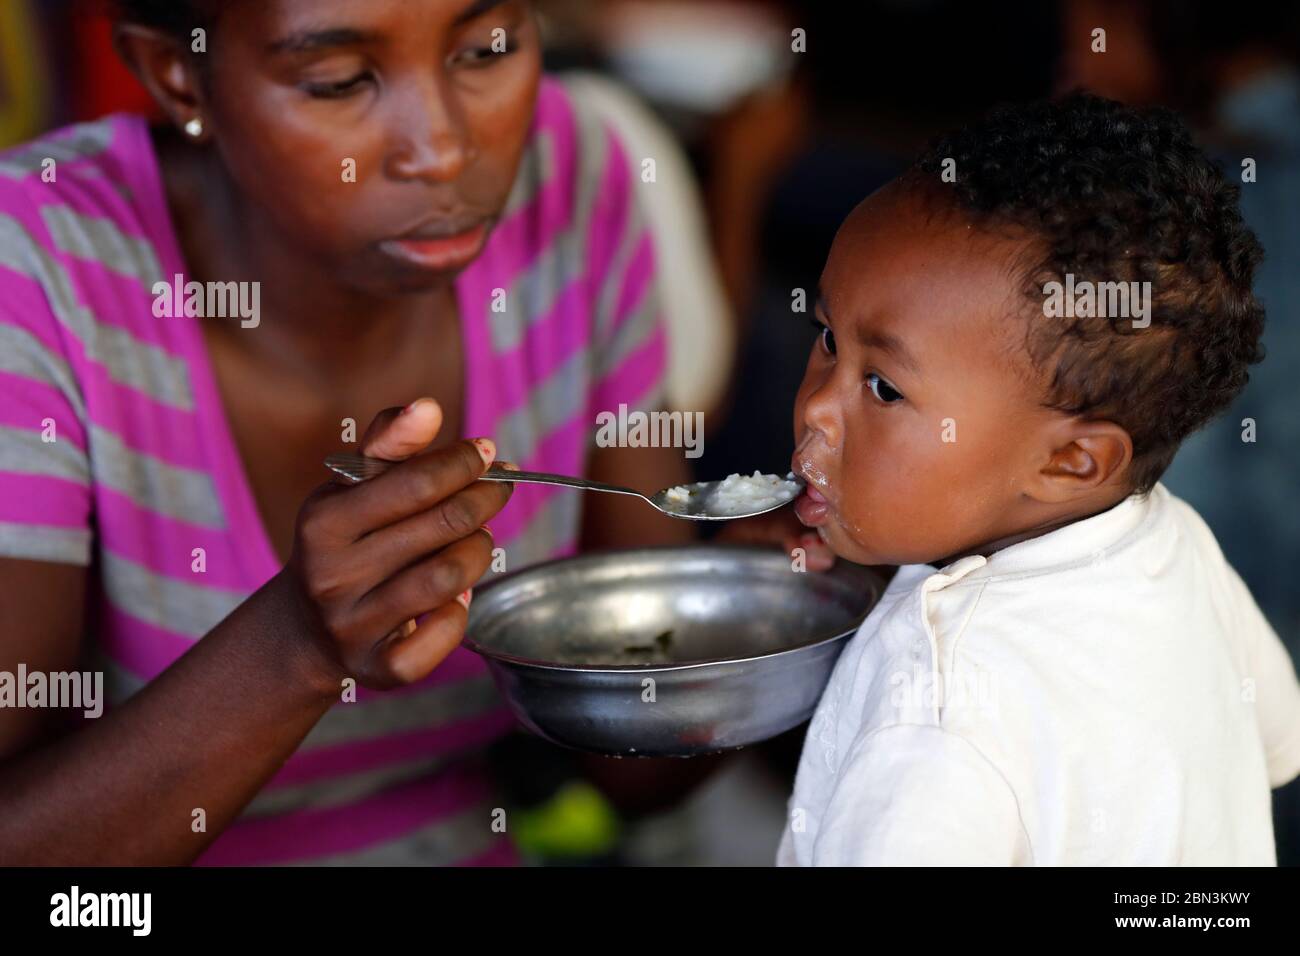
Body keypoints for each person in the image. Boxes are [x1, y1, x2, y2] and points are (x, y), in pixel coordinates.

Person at [0, 0, 815, 865]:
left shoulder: (575, 176)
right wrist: (295, 650)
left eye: (487, 49)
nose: (444, 150)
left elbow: (625, 764)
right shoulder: (37, 267)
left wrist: (762, 620)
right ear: (177, 73)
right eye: (341, 81)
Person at [777, 93, 1300, 864]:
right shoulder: (1173, 544)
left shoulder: (938, 715)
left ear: (1070, 462)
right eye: (827, 337)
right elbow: (1275, 738)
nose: (818, 405)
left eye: (884, 387)